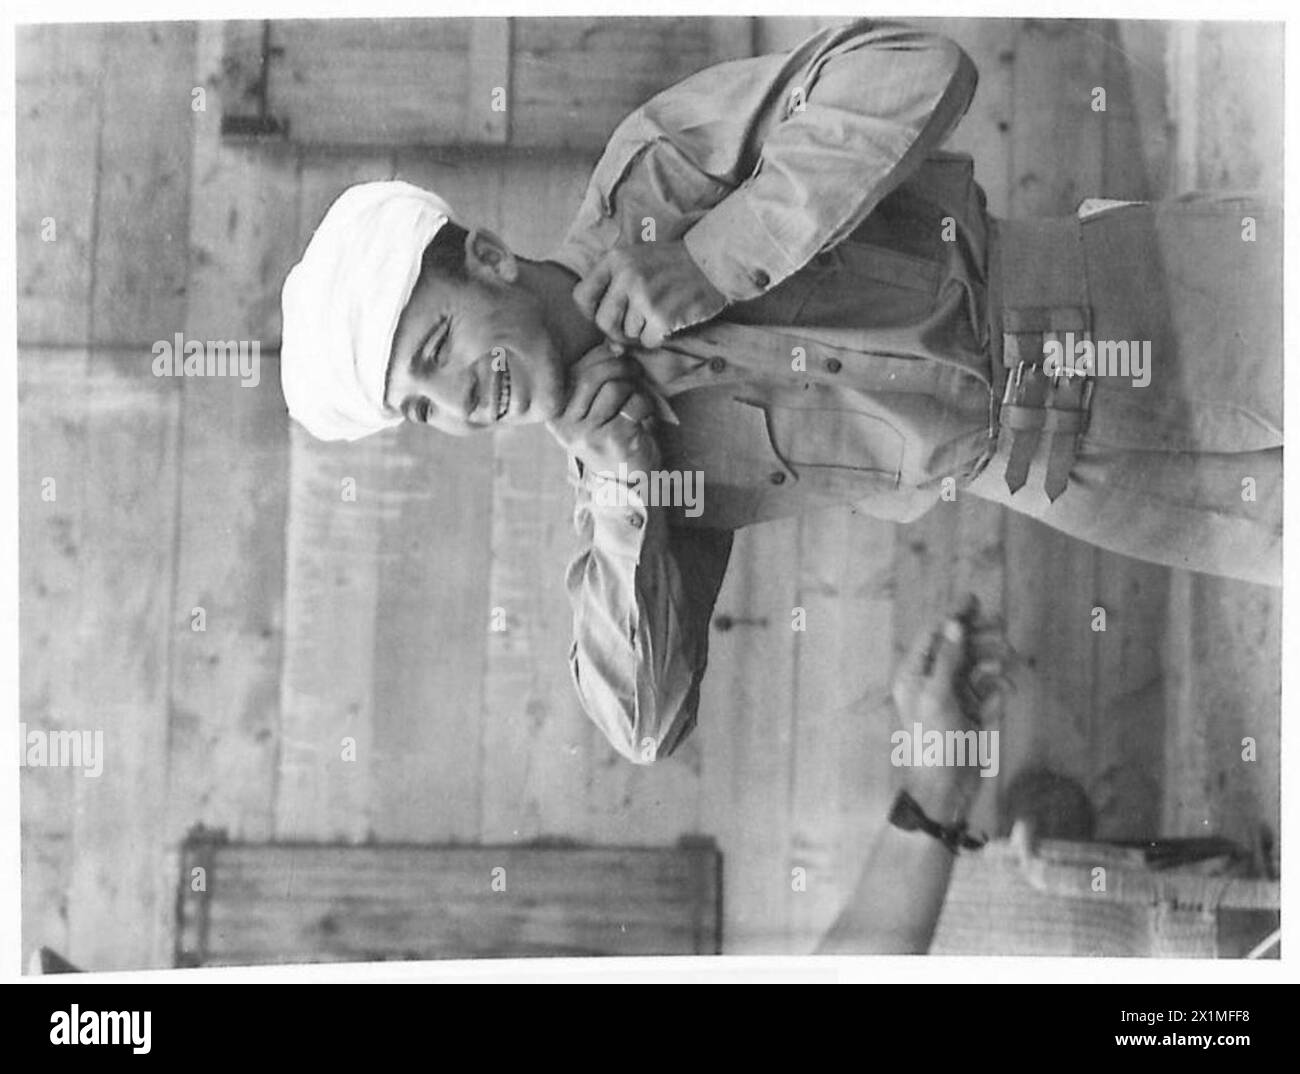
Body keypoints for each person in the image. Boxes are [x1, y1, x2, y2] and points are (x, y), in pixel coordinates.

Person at [280, 19, 1281, 766]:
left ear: (490, 258)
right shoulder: (622, 473)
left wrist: (717, 257)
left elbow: (920, 69)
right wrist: (630, 505)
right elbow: (642, 726)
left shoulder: (653, 181)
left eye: (438, 350)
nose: (456, 401)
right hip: (1078, 479)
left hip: (1126, 299)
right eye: (422, 410)